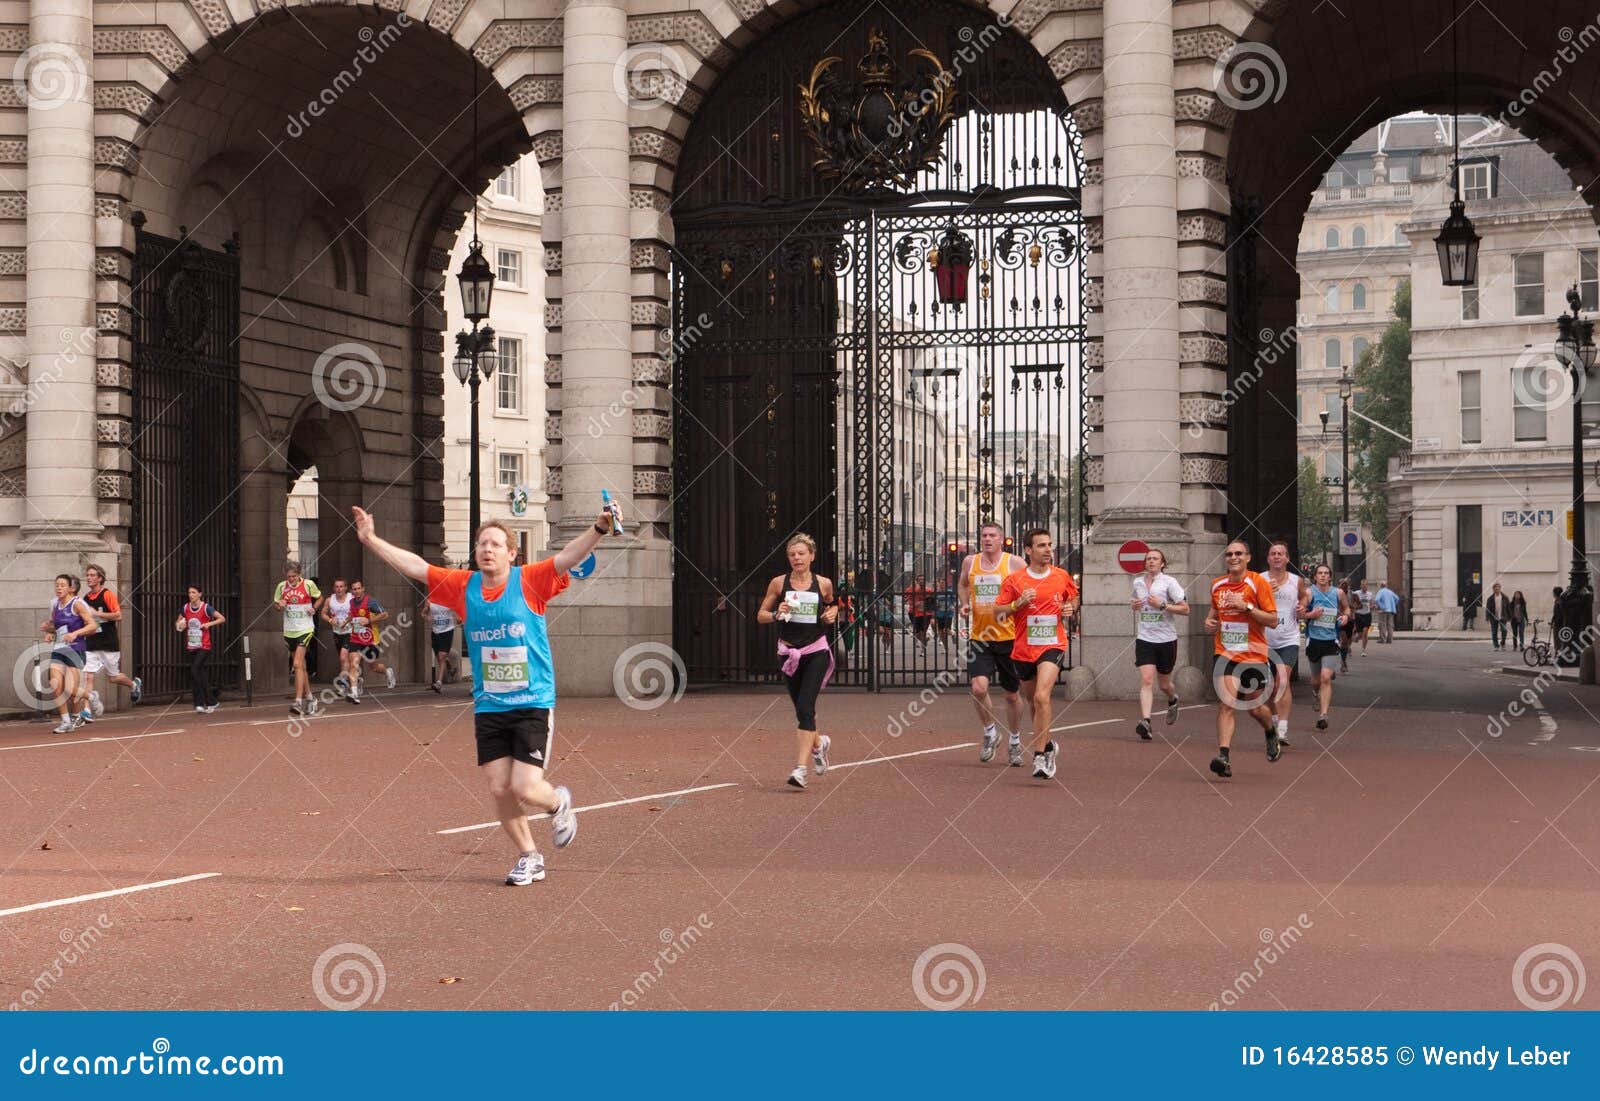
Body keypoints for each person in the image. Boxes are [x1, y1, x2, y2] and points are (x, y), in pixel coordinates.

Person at [353, 506, 606, 886]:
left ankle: (558, 803)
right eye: (481, 543)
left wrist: (599, 528)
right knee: (499, 788)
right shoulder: (462, 586)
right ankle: (529, 856)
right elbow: (417, 567)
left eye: (495, 544)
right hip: (489, 705)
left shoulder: (531, 580)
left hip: (532, 702)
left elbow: (569, 556)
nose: (487, 549)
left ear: (511, 553)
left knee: (524, 787)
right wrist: (370, 539)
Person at [756, 533, 839, 789]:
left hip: (816, 651)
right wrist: (775, 614)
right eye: (792, 554)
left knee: (805, 707)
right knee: (802, 710)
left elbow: (832, 606)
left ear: (811, 556)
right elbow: (760, 616)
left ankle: (801, 769)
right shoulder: (779, 583)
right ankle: (819, 743)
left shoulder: (823, 583)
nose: (797, 558)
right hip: (789, 653)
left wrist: (832, 614)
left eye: (801, 554)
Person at [995, 529, 1079, 780]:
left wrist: (1069, 608)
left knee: (1043, 696)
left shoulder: (1061, 576)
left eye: (1050, 545)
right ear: (1028, 550)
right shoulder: (1014, 580)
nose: (1048, 550)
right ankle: (1049, 744)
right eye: (1041, 545)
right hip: (1023, 649)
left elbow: (1073, 599)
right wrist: (1017, 604)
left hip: (1053, 644)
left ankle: (1040, 756)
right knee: (1034, 702)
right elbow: (997, 614)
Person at [1204, 541, 1282, 778]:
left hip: (1254, 654)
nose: (1233, 557)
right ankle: (1224, 757)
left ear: (1248, 557)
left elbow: (1272, 620)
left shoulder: (1258, 582)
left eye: (1238, 553)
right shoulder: (1217, 585)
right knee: (1226, 704)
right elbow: (1213, 614)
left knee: (1256, 709)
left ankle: (1270, 731)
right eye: (1229, 554)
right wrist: (1209, 623)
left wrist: (1246, 606)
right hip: (1226, 653)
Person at [958, 522, 1026, 766]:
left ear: (1001, 539)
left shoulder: (1014, 563)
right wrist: (964, 604)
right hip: (980, 636)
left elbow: (1030, 589)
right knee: (978, 688)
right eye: (984, 535)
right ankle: (990, 733)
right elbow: (963, 584)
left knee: (1011, 695)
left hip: (1009, 637)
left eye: (992, 535)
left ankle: (1015, 740)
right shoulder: (970, 562)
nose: (987, 539)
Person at [1130, 547, 1189, 741]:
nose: (1151, 561)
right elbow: (1135, 602)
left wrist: (1162, 606)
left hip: (1166, 640)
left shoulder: (1169, 582)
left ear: (1162, 563)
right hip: (1145, 638)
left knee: (1164, 684)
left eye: (1155, 559)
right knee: (1147, 679)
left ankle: (1173, 699)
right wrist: (1134, 605)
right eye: (1148, 559)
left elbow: (1185, 609)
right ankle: (1146, 721)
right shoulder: (1137, 582)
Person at [1261, 541, 1308, 750]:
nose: (1277, 556)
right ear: (1268, 558)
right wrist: (1265, 593)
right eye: (1273, 554)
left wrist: (1302, 607)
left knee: (1282, 680)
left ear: (1287, 558)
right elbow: (1248, 602)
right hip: (1264, 639)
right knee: (1269, 686)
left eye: (1281, 553)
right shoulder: (1259, 579)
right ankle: (1272, 719)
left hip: (1288, 638)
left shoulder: (1296, 580)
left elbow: (1305, 596)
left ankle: (1282, 728)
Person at [79, 563, 142, 718]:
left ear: (100, 578)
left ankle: (134, 685)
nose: (89, 578)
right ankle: (87, 710)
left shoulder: (107, 595)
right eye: (88, 575)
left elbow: (118, 616)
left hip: (108, 642)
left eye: (92, 575)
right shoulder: (85, 598)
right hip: (92, 642)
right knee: (88, 676)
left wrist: (98, 614)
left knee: (113, 677)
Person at [40, 575, 99, 734]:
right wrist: (49, 632)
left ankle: (91, 697)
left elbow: (93, 625)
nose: (59, 588)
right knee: (55, 684)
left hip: (76, 648)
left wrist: (75, 633)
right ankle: (65, 721)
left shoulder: (77, 604)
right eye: (57, 585)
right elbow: (56, 626)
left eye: (62, 585)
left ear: (70, 588)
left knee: (70, 689)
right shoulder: (56, 605)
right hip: (59, 648)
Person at [1300, 564, 1349, 731]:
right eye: (1319, 573)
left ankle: (1323, 715)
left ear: (1330, 576)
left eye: (1326, 573)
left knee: (1325, 677)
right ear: (1315, 577)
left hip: (1331, 640)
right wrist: (1311, 615)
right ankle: (1315, 693)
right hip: (1313, 640)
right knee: (1315, 680)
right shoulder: (1309, 593)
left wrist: (1346, 617)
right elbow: (1300, 613)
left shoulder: (1338, 593)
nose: (1322, 576)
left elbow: (1346, 608)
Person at [273, 560, 323, 717]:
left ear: (299, 574)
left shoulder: (308, 585)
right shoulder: (282, 586)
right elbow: (276, 605)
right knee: (301, 666)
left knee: (296, 664)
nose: (291, 579)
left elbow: (320, 597)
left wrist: (313, 608)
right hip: (289, 630)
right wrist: (280, 605)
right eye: (289, 576)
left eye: (294, 576)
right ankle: (310, 698)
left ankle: (298, 702)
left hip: (305, 628)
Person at [176, 585, 224, 714]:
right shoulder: (185, 608)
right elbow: (178, 623)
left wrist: (208, 624)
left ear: (200, 594)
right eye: (189, 592)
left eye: (193, 592)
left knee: (194, 670)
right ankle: (211, 702)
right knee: (200, 674)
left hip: (204, 645)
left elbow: (221, 618)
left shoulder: (206, 608)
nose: (191, 595)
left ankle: (199, 702)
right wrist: (180, 625)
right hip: (192, 645)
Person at [344, 578, 393, 704]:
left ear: (363, 588)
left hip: (371, 639)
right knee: (354, 664)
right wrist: (345, 622)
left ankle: (387, 671)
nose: (356, 591)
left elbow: (385, 614)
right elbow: (352, 615)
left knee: (374, 667)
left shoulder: (371, 602)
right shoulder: (351, 602)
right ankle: (354, 693)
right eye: (354, 589)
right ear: (351, 590)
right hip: (355, 637)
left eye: (358, 588)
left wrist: (369, 621)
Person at [321, 579, 357, 696]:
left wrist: (346, 621)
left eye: (341, 586)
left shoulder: (351, 598)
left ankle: (342, 685)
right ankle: (354, 681)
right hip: (337, 633)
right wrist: (331, 620)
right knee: (345, 660)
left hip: (351, 632)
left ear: (346, 588)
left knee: (343, 657)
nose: (339, 589)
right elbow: (323, 614)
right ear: (333, 588)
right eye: (336, 587)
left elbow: (357, 612)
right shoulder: (329, 600)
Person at [426, 594, 460, 692]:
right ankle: (448, 664)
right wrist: (427, 617)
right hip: (435, 631)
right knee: (439, 658)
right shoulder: (429, 601)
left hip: (447, 630)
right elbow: (424, 614)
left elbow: (457, 609)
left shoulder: (449, 599)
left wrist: (458, 618)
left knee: (441, 656)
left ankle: (439, 682)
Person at [903, 574, 934, 652]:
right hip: (915, 613)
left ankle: (923, 650)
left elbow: (933, 602)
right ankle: (924, 640)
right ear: (917, 581)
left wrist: (933, 614)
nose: (921, 581)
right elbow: (905, 599)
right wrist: (912, 602)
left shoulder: (929, 590)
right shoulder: (911, 590)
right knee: (918, 632)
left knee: (923, 631)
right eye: (920, 579)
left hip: (926, 614)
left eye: (923, 579)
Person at [1485, 581, 1511, 651]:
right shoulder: (1490, 598)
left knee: (1504, 630)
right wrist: (1487, 618)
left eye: (1498, 588)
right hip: (1493, 617)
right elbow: (1488, 609)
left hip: (1503, 617)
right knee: (1494, 632)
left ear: (1500, 588)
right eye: (1495, 588)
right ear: (1493, 589)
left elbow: (1508, 608)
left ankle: (1502, 643)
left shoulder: (1505, 597)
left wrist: (1509, 617)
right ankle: (1496, 646)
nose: (1497, 590)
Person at [932, 583, 958, 651]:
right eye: (940, 583)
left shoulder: (950, 592)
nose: (942, 585)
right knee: (941, 632)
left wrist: (953, 605)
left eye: (943, 583)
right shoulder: (937, 593)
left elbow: (955, 600)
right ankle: (946, 647)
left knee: (946, 629)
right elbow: (934, 602)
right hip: (939, 614)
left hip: (948, 613)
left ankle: (953, 634)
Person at [1352, 578, 1374, 655]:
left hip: (1367, 615)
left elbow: (1371, 604)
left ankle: (1363, 650)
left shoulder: (1370, 594)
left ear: (1367, 586)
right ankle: (1354, 638)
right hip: (1359, 615)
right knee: (1360, 635)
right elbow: (1352, 603)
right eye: (1363, 585)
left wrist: (1372, 606)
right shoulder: (1356, 593)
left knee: (1365, 632)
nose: (1364, 587)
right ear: (1360, 586)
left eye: (1366, 585)